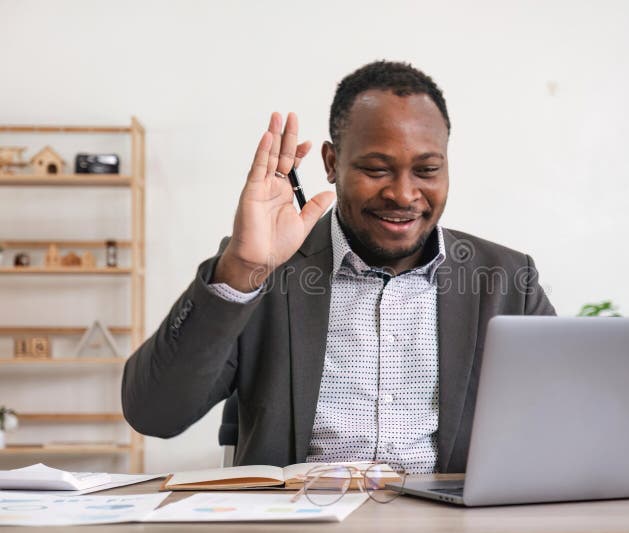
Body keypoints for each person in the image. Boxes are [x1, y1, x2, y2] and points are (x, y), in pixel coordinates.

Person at [122, 61, 555, 474]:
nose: (404, 195)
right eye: (376, 169)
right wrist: (241, 268)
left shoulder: (506, 280)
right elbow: (153, 412)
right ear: (332, 163)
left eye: (426, 169)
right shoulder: (265, 270)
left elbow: (563, 422)